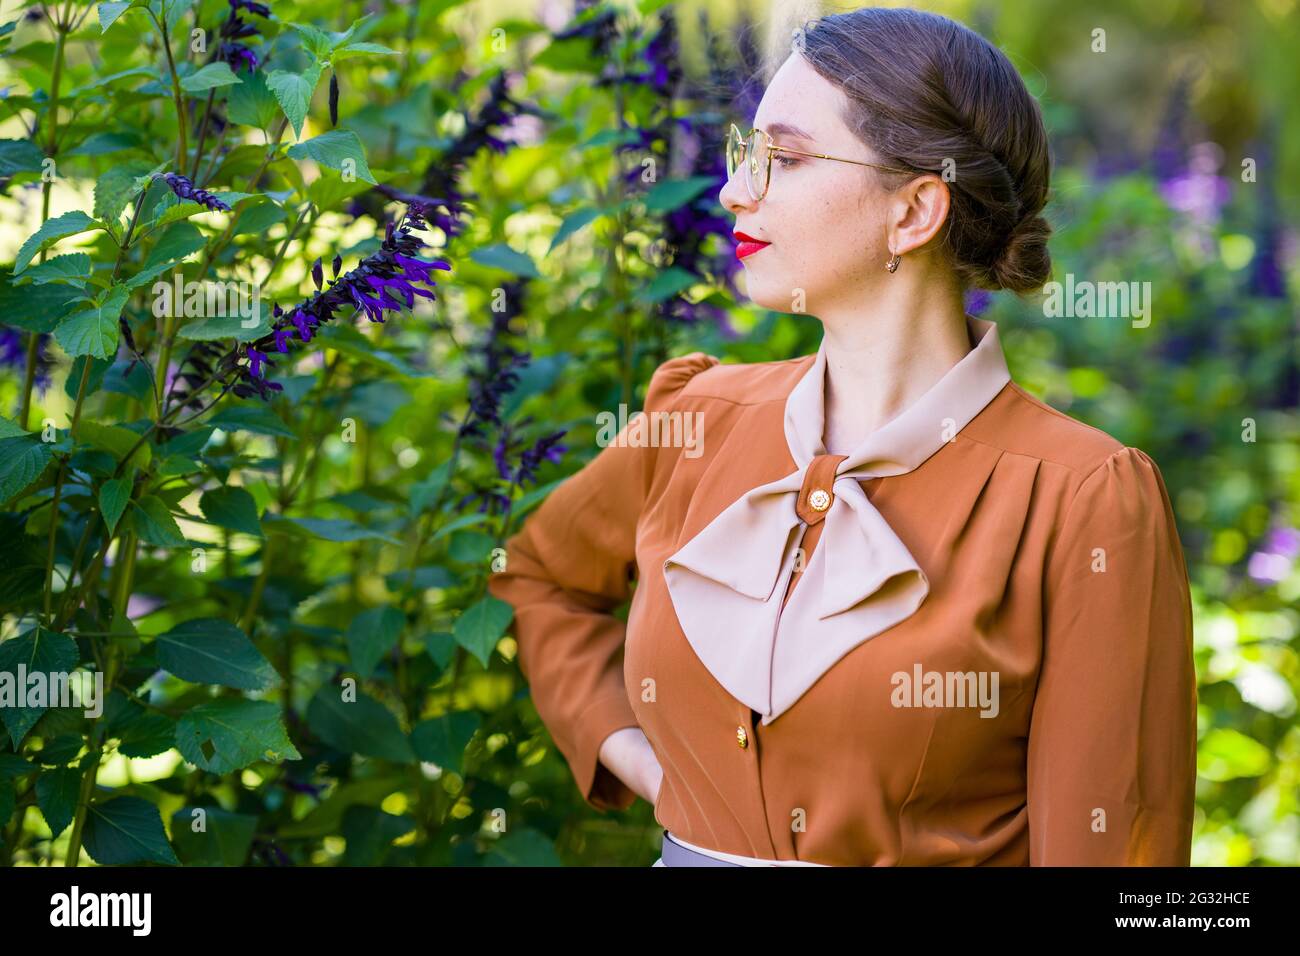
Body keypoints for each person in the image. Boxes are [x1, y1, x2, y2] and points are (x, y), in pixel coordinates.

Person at [487, 7, 1197, 866]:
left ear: (914, 213)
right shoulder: (697, 419)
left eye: (781, 159)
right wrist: (636, 754)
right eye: (743, 156)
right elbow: (536, 577)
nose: (733, 193)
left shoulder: (1081, 500)